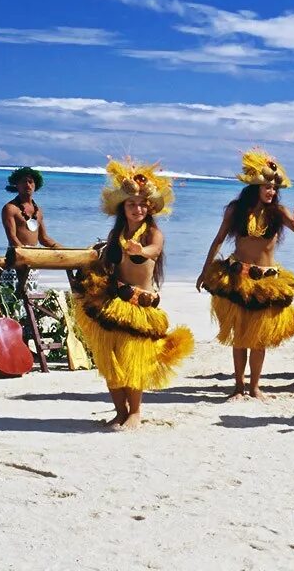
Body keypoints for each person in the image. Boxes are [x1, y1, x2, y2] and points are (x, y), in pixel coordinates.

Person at [70, 158, 194, 430]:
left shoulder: (152, 233)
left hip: (139, 307)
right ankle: (119, 411)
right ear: (122, 208)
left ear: (149, 208)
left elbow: (155, 251)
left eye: (141, 204)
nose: (137, 208)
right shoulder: (115, 234)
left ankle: (135, 412)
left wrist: (141, 251)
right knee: (110, 359)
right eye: (131, 204)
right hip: (113, 303)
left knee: (132, 361)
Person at [196, 149, 294, 400]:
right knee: (240, 336)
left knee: (259, 339)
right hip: (238, 278)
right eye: (267, 187)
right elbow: (218, 240)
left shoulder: (278, 211)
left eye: (274, 188)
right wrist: (204, 271)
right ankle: (238, 387)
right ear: (255, 187)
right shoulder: (236, 210)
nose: (272, 192)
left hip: (266, 281)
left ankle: (255, 387)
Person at [0, 166, 60, 294]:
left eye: (30, 181)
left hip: (33, 260)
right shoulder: (10, 208)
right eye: (23, 181)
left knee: (30, 298)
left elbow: (43, 238)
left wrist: (62, 250)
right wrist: (24, 256)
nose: (27, 184)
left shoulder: (38, 211)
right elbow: (12, 238)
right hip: (16, 258)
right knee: (12, 300)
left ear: (35, 185)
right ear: (16, 184)